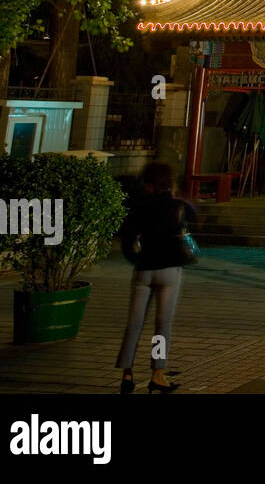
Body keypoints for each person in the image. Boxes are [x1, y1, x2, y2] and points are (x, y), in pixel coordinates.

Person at [115, 160, 195, 394]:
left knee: (134, 324)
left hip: (144, 269)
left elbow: (128, 241)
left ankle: (127, 373)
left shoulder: (138, 206)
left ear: (148, 183)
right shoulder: (178, 206)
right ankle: (157, 373)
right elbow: (192, 217)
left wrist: (136, 259)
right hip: (170, 270)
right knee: (162, 325)